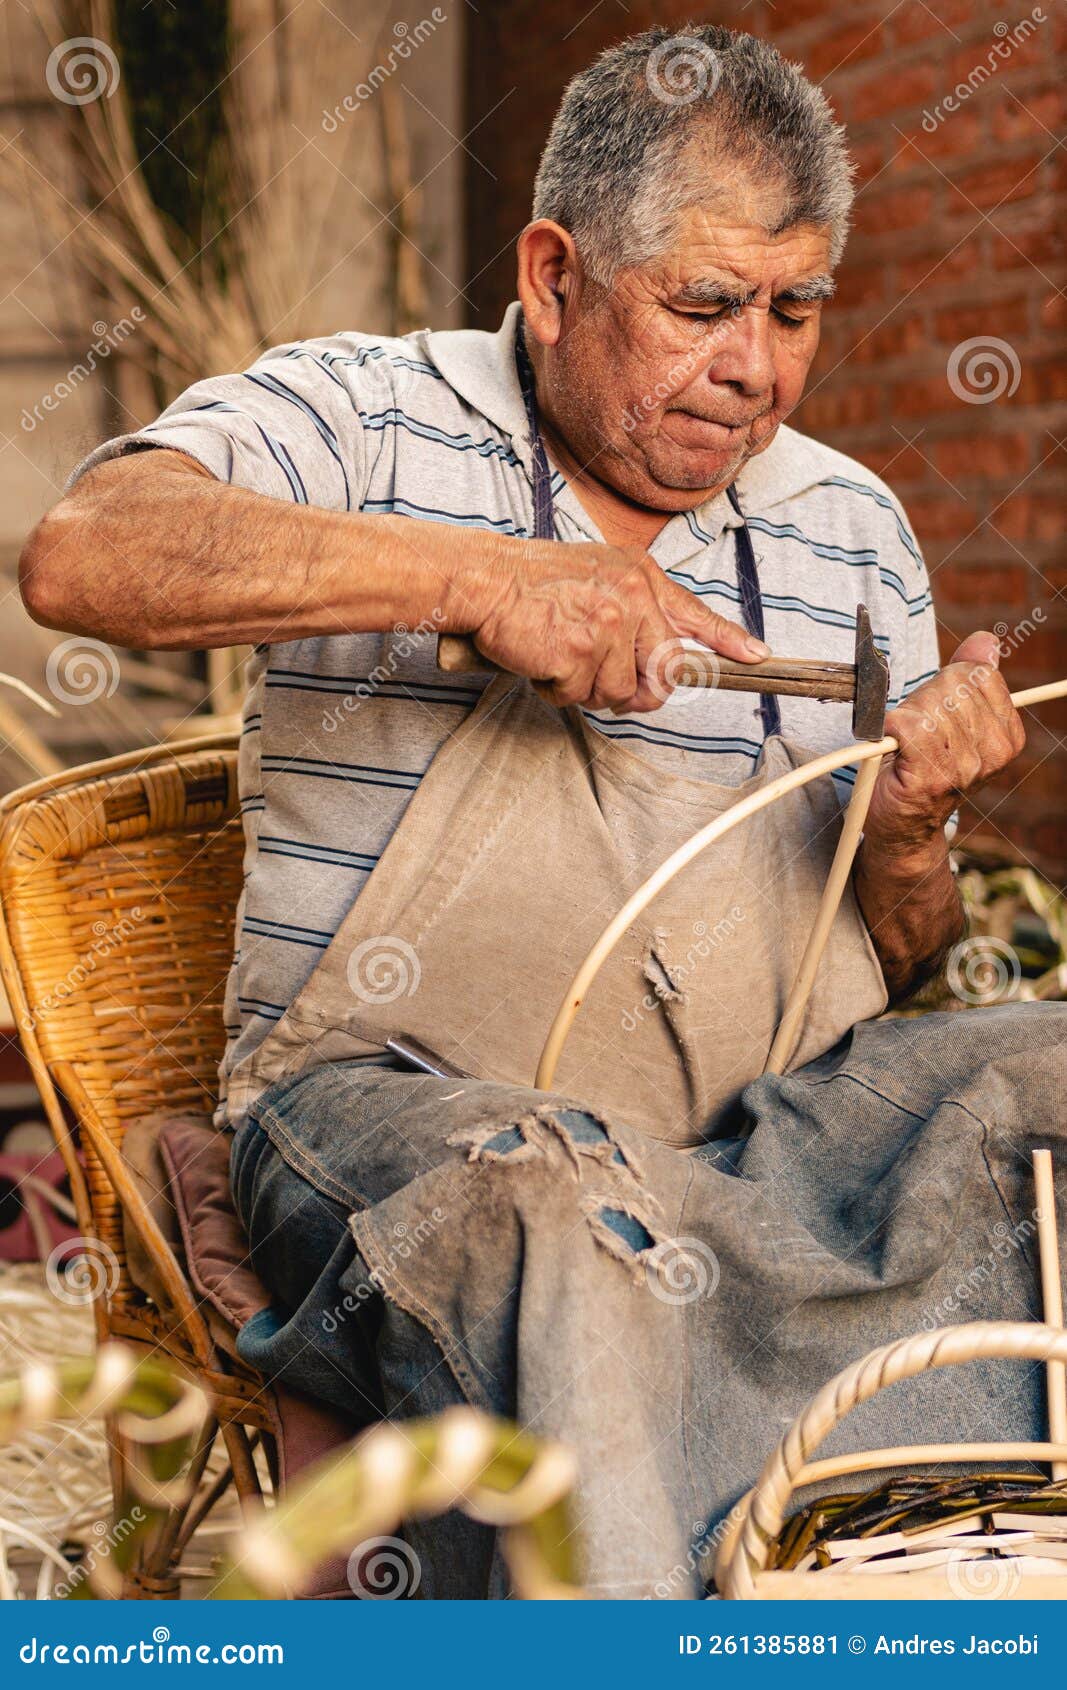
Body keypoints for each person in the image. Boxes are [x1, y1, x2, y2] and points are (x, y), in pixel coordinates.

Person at [22, 26, 1054, 1599]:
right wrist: (482, 576)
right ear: (556, 275)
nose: (757, 368)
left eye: (797, 310)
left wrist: (911, 830)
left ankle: (870, 1523)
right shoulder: (364, 417)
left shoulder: (852, 526)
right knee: (542, 1214)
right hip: (419, 1104)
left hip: (764, 1148)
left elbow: (904, 959)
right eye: (703, 306)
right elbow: (86, 551)